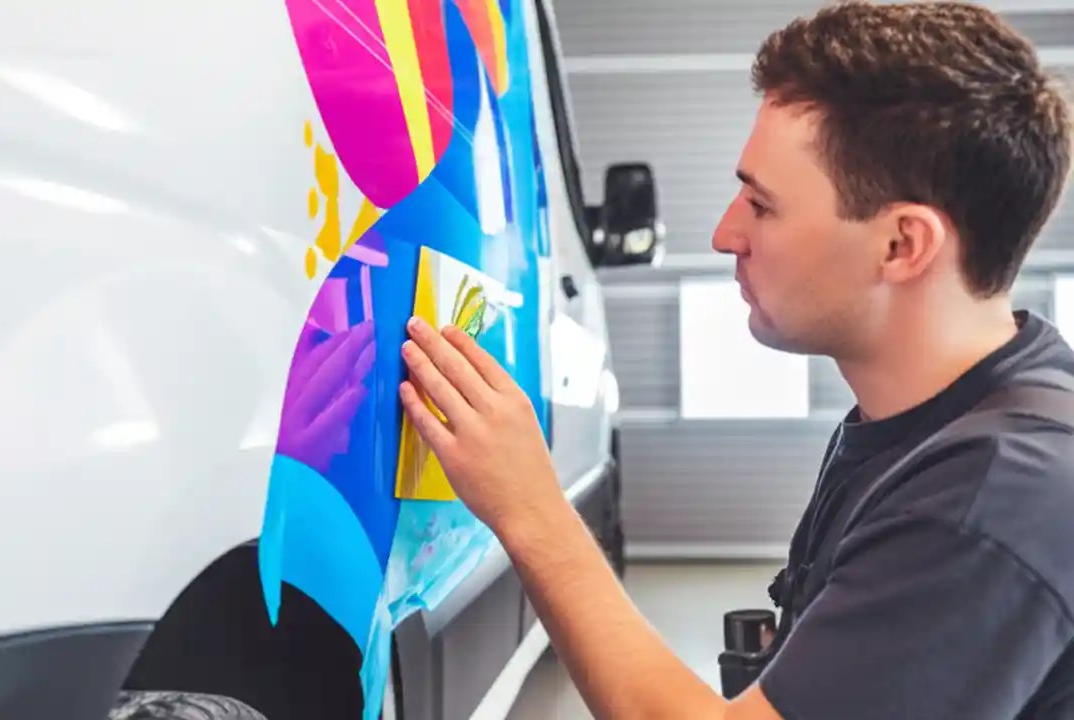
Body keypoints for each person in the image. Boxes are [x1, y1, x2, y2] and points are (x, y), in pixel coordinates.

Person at [397, 1, 1074, 718]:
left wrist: (531, 509)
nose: (725, 233)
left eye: (763, 204)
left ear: (903, 245)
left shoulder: (990, 501)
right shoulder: (923, 422)